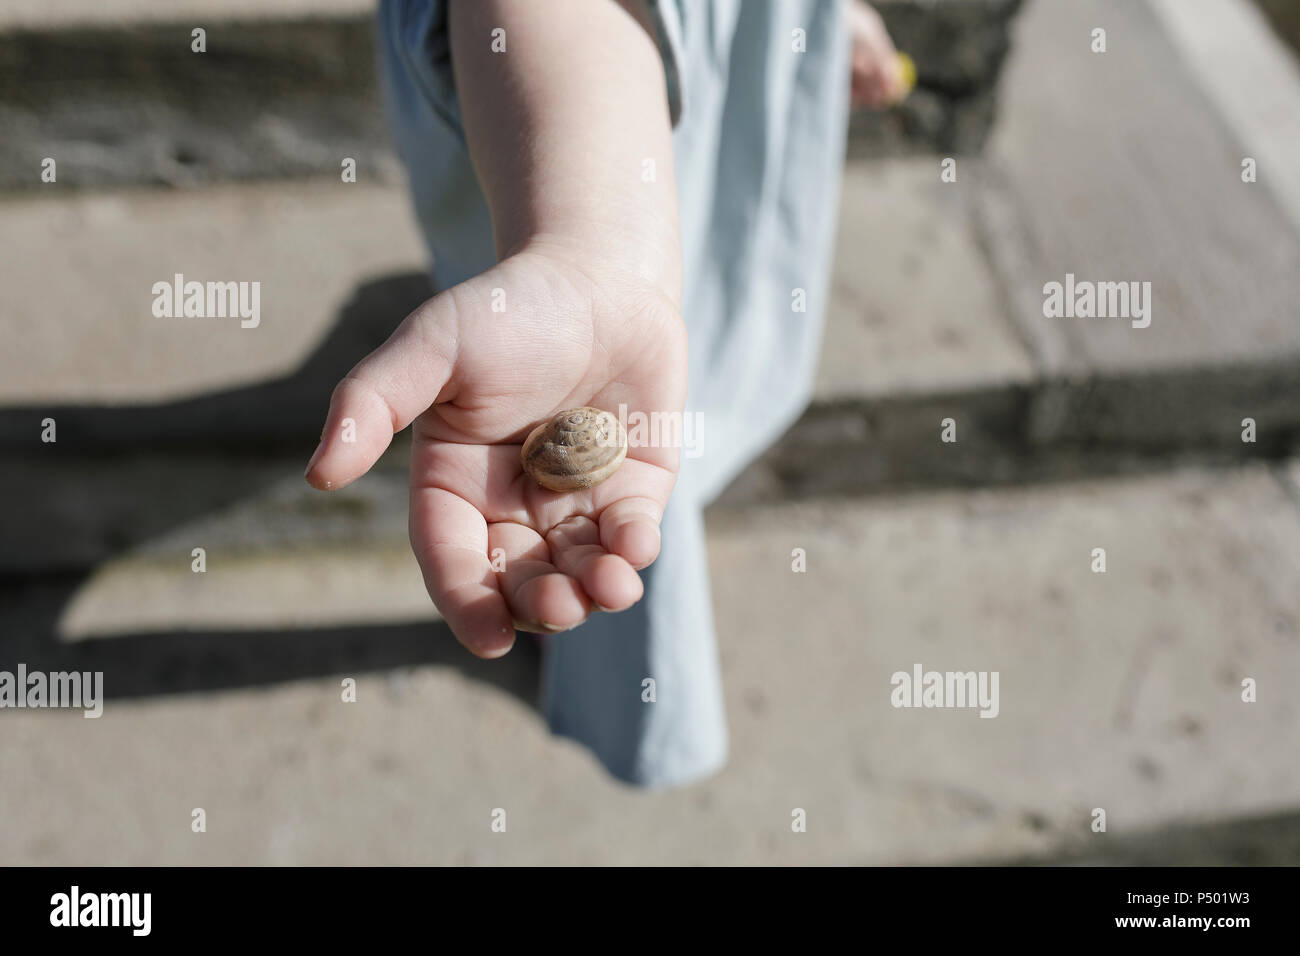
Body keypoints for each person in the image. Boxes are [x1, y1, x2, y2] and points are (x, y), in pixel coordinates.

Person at [305, 0, 906, 787]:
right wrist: (592, 254)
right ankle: (622, 701)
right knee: (636, 500)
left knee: (689, 360)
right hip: (555, 102)